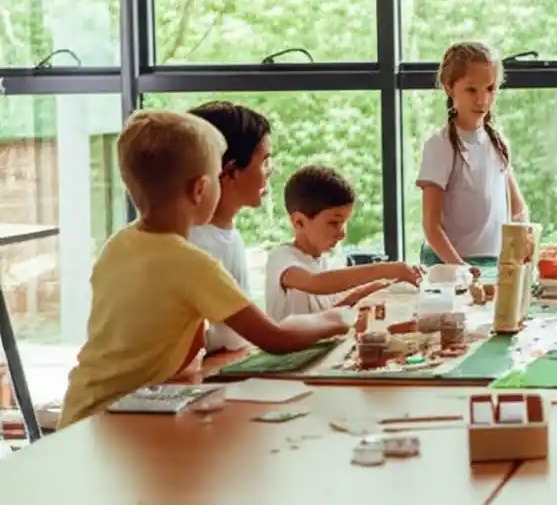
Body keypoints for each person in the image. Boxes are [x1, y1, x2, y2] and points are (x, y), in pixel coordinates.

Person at [59, 110, 350, 429]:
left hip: (82, 411)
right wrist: (337, 319)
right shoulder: (192, 263)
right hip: (120, 420)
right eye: (216, 175)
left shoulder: (119, 243)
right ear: (200, 189)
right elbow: (275, 338)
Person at [417, 42, 527, 268]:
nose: (482, 99)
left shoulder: (497, 143)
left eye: (490, 89)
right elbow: (431, 227)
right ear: (449, 87)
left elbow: (518, 211)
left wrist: (526, 248)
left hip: (495, 264)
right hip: (451, 268)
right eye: (471, 89)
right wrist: (461, 270)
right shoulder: (440, 145)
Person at [265, 165, 420, 320]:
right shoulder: (281, 258)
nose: (342, 233)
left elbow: (330, 313)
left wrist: (386, 284)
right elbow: (316, 283)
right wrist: (390, 269)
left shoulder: (327, 262)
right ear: (299, 222)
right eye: (334, 223)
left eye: (344, 223)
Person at [188, 100, 273, 352]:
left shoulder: (229, 235)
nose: (271, 170)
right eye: (264, 161)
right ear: (230, 170)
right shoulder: (190, 245)